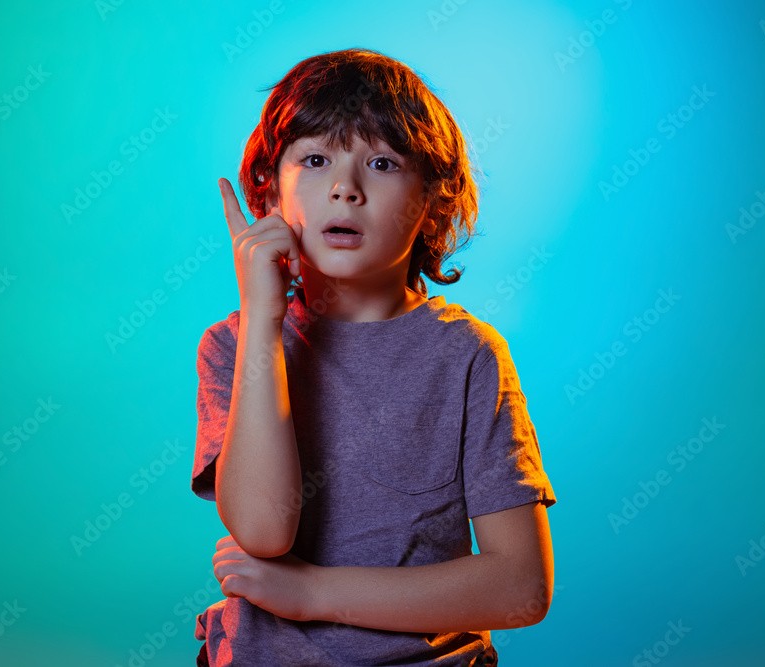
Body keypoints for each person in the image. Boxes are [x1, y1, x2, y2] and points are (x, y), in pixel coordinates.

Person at [191, 47, 555, 666]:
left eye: (382, 163)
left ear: (432, 201)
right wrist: (262, 319)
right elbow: (261, 531)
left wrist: (312, 593)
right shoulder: (236, 343)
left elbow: (520, 589)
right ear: (270, 195)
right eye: (314, 159)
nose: (345, 187)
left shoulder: (468, 356)